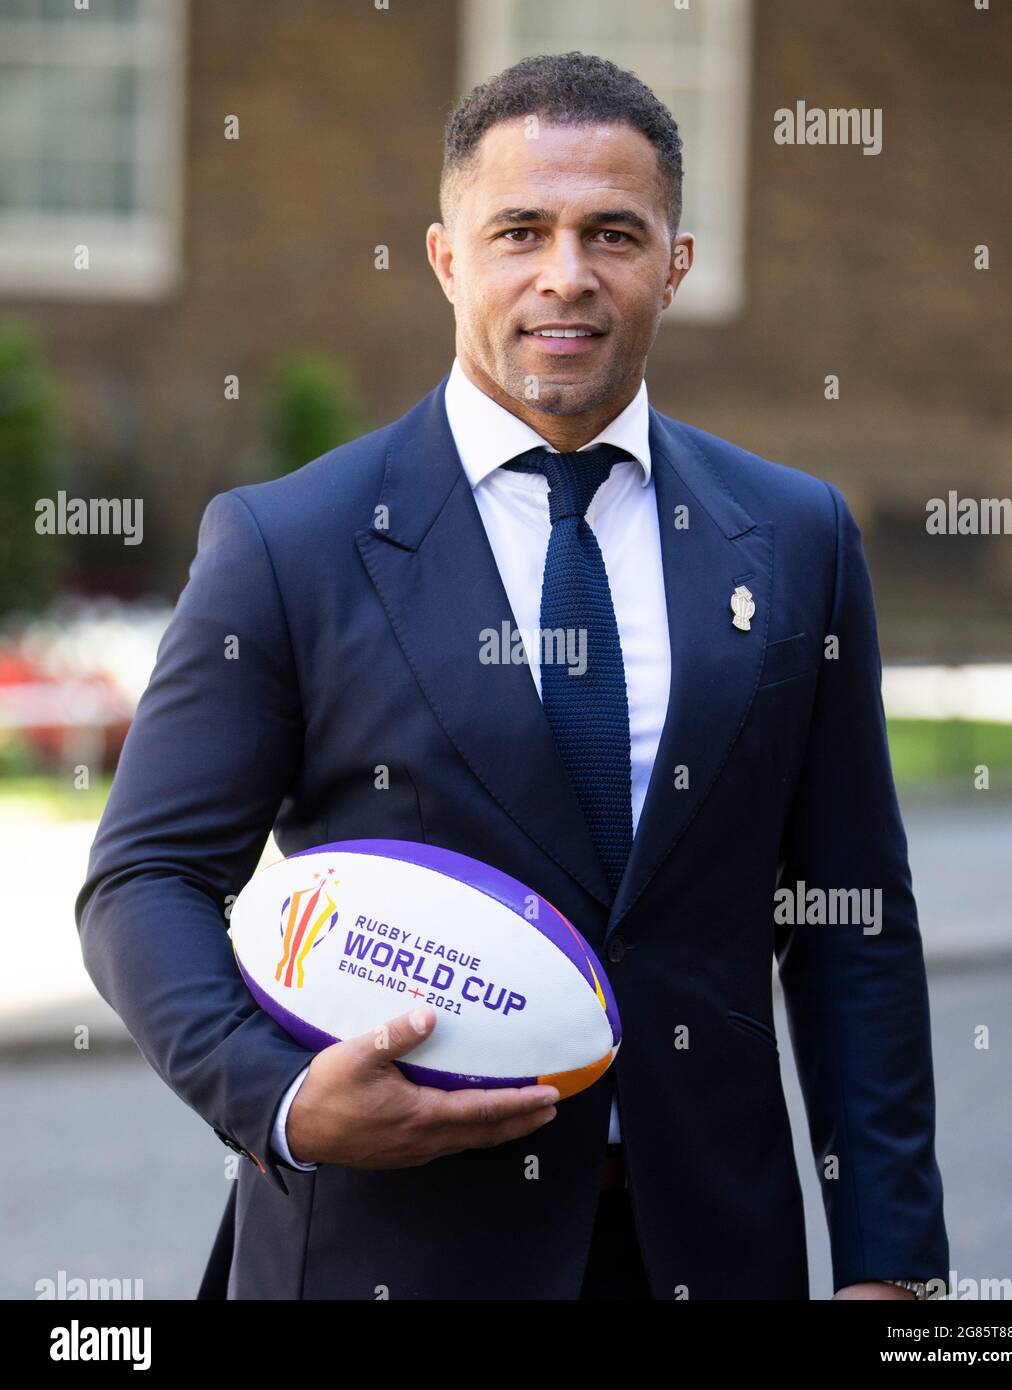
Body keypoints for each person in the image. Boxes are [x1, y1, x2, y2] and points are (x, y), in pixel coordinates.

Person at [75, 51, 948, 1300]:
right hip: (391, 1248)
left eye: (613, 234)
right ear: (446, 259)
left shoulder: (798, 535)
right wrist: (278, 1096)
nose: (566, 275)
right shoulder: (292, 544)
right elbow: (145, 876)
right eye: (520, 230)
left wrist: (891, 1265)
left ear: (676, 263)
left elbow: (853, 921)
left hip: (707, 1250)